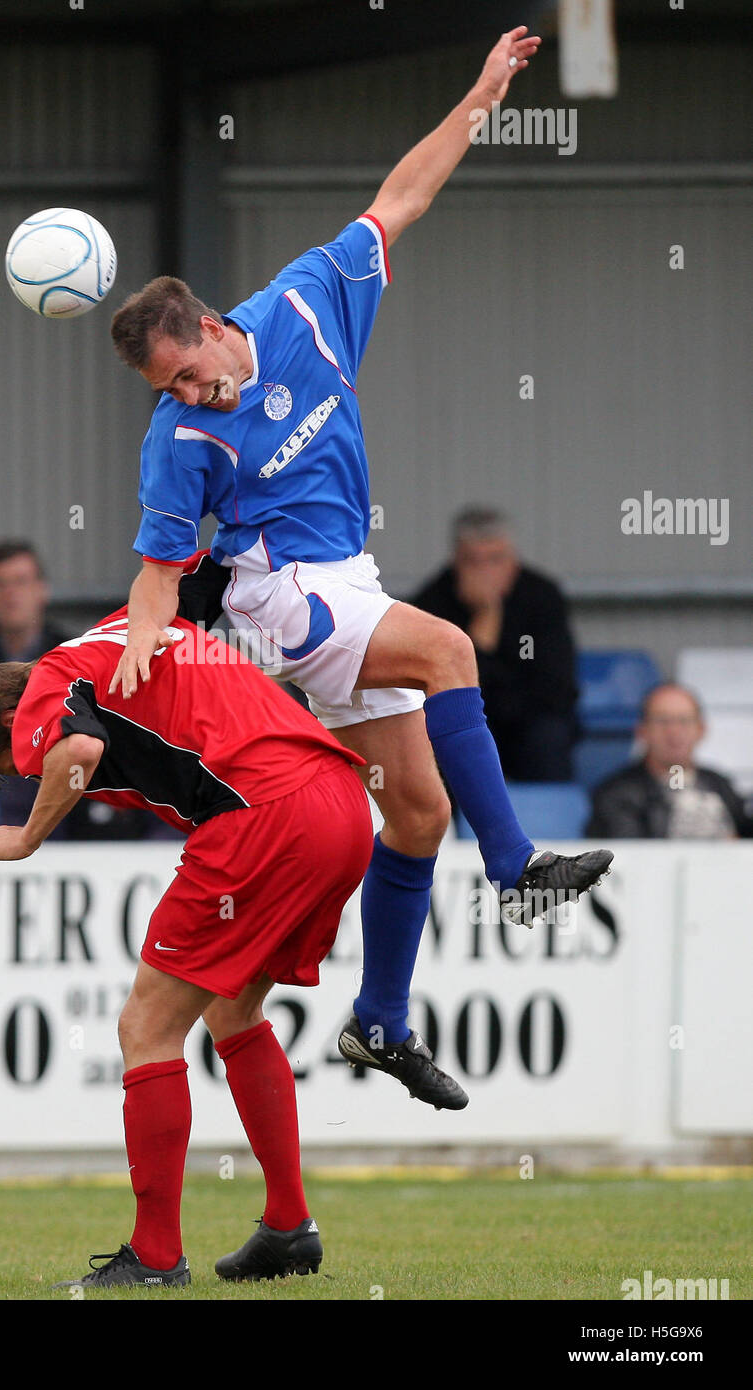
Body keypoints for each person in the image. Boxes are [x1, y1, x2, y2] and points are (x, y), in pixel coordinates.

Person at [107, 26, 611, 1105]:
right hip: (282, 596)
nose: (188, 397)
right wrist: (148, 625)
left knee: (416, 814)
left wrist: (481, 95)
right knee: (446, 650)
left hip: (351, 576)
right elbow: (160, 565)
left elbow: (404, 196)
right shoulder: (176, 439)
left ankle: (381, 1021)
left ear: (209, 325)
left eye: (190, 374)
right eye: (170, 388)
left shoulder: (302, 299)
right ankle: (517, 861)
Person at [0, 552, 388, 1287]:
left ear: (11, 725)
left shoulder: (51, 685)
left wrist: (27, 835)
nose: (28, 768)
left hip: (263, 812)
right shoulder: (132, 625)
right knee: (232, 1012)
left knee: (145, 1027)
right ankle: (288, 1225)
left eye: (18, 763)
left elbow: (78, 749)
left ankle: (153, 1256)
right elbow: (208, 568)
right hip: (340, 802)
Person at [0, 539, 152, 839]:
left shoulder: (71, 649)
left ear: (42, 589)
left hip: (70, 777)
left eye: (20, 582)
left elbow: (95, 732)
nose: (10, 595)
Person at [411, 508, 578, 782]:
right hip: (465, 721)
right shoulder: (432, 604)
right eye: (473, 562)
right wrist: (481, 638)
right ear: (456, 562)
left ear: (513, 560)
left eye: (495, 559)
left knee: (549, 736)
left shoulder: (543, 598)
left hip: (530, 722)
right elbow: (441, 689)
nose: (485, 572)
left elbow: (556, 686)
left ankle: (548, 819)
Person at [587, 684, 753, 839]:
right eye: (662, 721)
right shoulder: (616, 794)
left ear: (701, 729)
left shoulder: (718, 784)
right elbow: (629, 856)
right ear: (642, 731)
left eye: (684, 721)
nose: (674, 732)